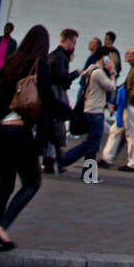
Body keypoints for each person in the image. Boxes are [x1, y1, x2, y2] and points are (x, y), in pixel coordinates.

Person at [0, 24, 60, 251]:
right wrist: (67, 113)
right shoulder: (39, 66)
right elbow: (47, 100)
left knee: (4, 185)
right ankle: (1, 227)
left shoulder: (12, 62)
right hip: (17, 132)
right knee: (32, 182)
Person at [60, 53, 116, 171]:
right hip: (95, 111)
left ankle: (89, 173)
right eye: (109, 59)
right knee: (92, 143)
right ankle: (63, 160)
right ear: (103, 58)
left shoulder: (91, 70)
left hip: (91, 108)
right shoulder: (99, 73)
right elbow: (111, 87)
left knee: (93, 143)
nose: (111, 62)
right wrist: (112, 72)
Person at [99, 47, 134, 171]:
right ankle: (107, 158)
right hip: (128, 106)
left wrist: (128, 99)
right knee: (116, 130)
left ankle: (133, 163)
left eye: (129, 54)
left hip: (130, 106)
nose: (126, 55)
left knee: (131, 134)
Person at [43, 29, 79, 174]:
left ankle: (54, 159)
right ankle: (53, 160)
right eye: (74, 42)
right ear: (68, 40)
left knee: (54, 128)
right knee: (56, 127)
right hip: (56, 96)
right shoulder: (60, 57)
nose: (75, 46)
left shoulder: (54, 55)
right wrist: (76, 74)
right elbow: (61, 78)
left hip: (52, 95)